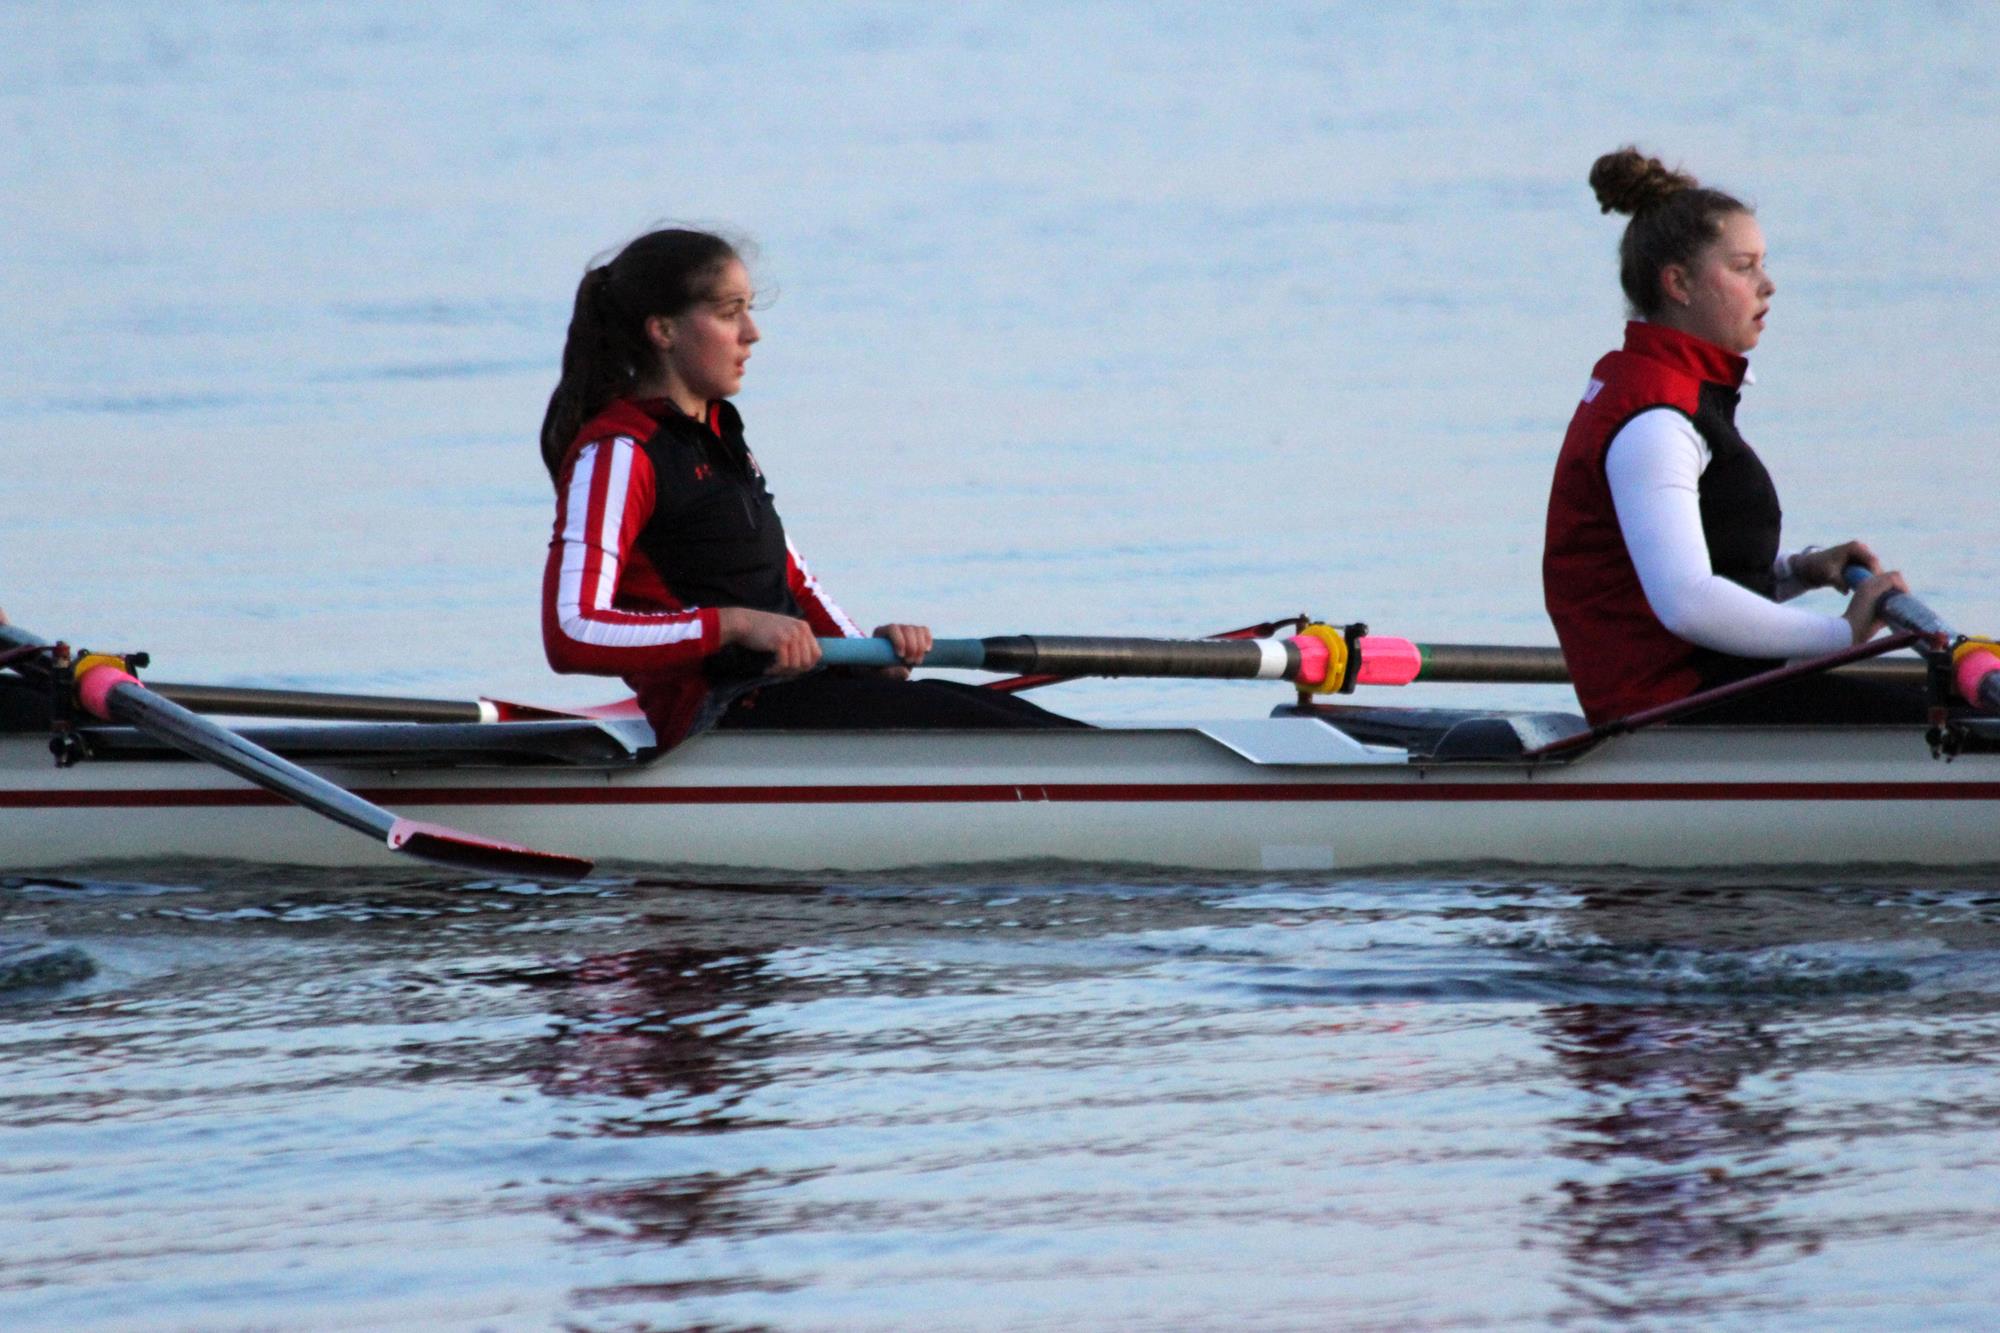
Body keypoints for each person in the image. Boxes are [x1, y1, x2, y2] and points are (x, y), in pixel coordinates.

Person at [538, 228, 1082, 746]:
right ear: (664, 331)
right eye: (730, 312)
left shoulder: (720, 437)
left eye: (749, 310)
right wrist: (735, 626)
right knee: (983, 728)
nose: (752, 332)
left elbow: (793, 581)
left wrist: (869, 655)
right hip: (725, 717)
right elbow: (572, 631)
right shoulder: (617, 453)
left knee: (1002, 717)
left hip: (801, 695)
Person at [1542, 147, 1921, 726]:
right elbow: (1688, 601)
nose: (1768, 285)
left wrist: (1799, 570)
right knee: (1955, 718)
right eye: (1743, 267)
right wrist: (1842, 633)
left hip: (1712, 693)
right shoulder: (1655, 422)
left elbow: (1705, 571)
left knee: (1955, 700)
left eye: (1763, 265)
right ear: (1679, 283)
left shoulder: (1667, 393)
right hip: (1673, 714)